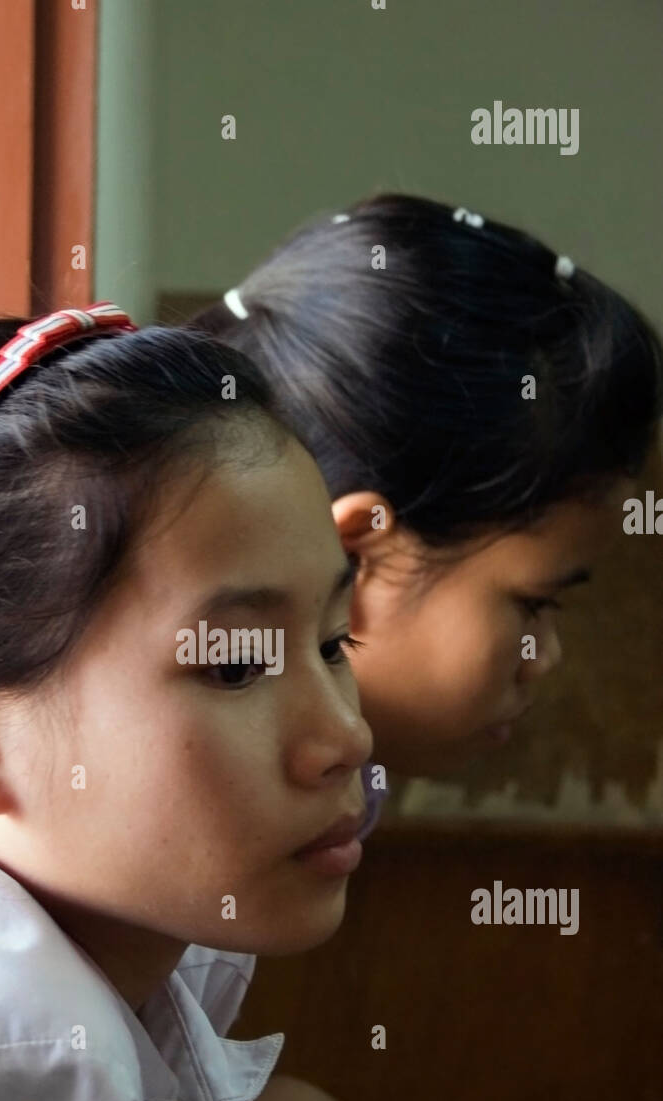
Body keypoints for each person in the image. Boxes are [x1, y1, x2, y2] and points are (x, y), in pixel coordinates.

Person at [0, 305, 378, 1101]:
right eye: (230, 668)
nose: (346, 736)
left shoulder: (177, 940)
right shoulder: (22, 1044)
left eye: (334, 643)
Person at [190, 193, 663, 804]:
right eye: (533, 604)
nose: (543, 657)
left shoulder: (319, 794)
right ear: (355, 558)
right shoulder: (211, 832)